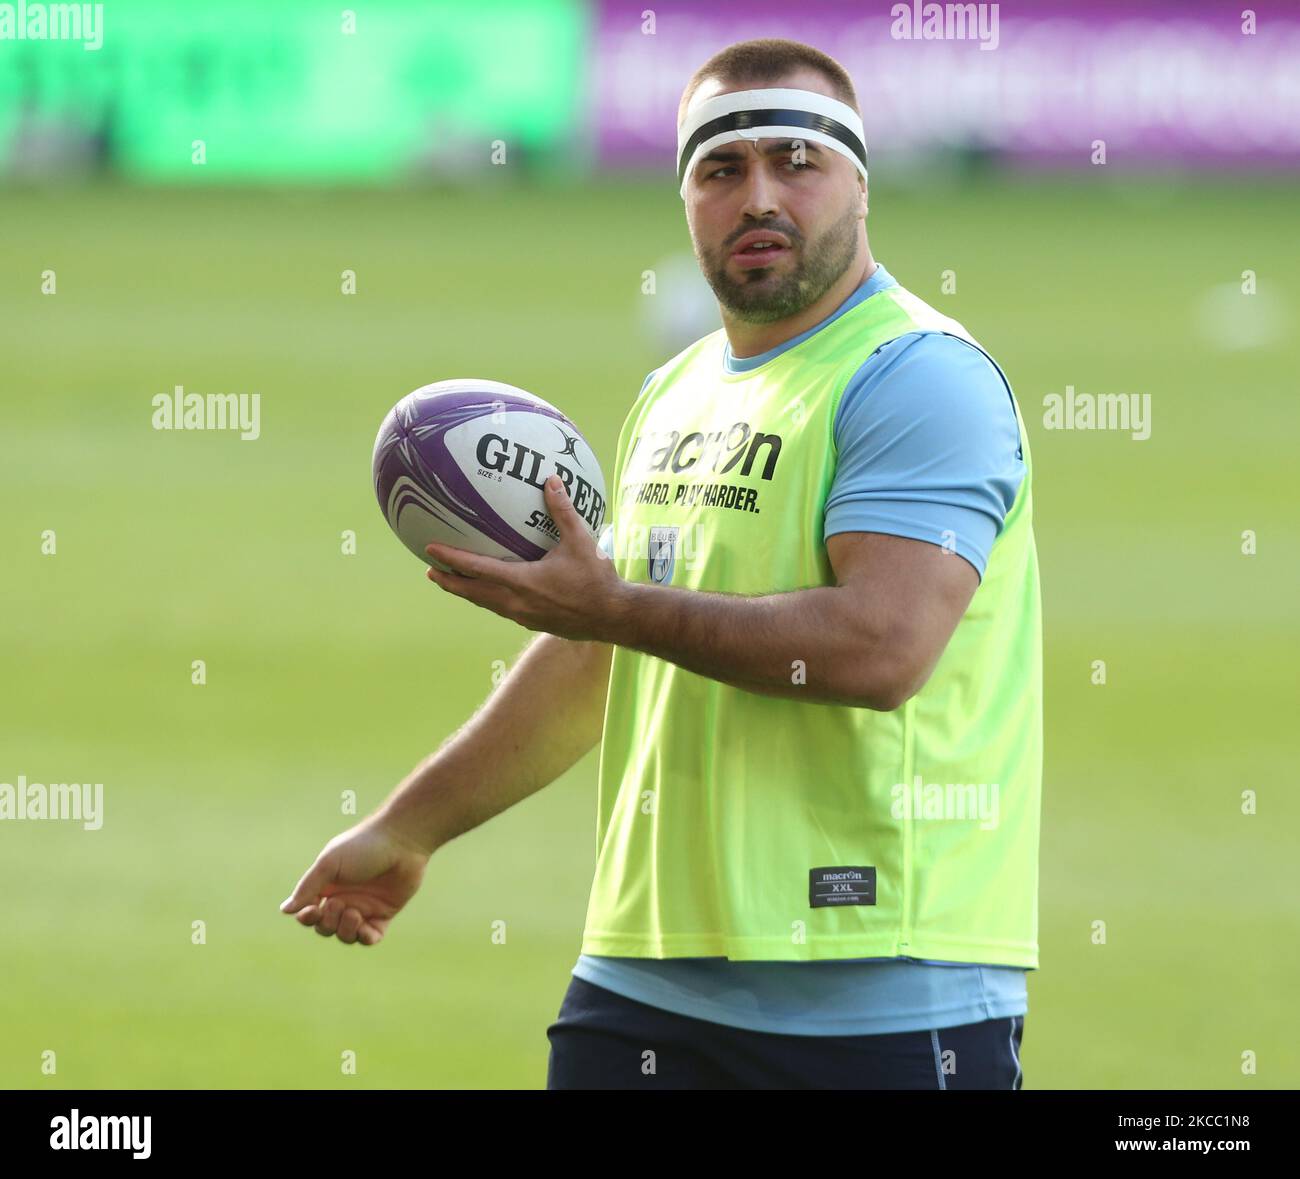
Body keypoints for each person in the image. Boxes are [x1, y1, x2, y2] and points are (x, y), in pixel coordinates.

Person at [280, 37, 1041, 1091]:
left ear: (859, 183)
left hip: (877, 982)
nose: (758, 197)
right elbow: (599, 656)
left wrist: (615, 608)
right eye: (720, 170)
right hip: (645, 977)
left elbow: (879, 648)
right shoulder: (677, 394)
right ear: (683, 196)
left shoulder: (917, 378)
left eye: (797, 163)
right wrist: (409, 827)